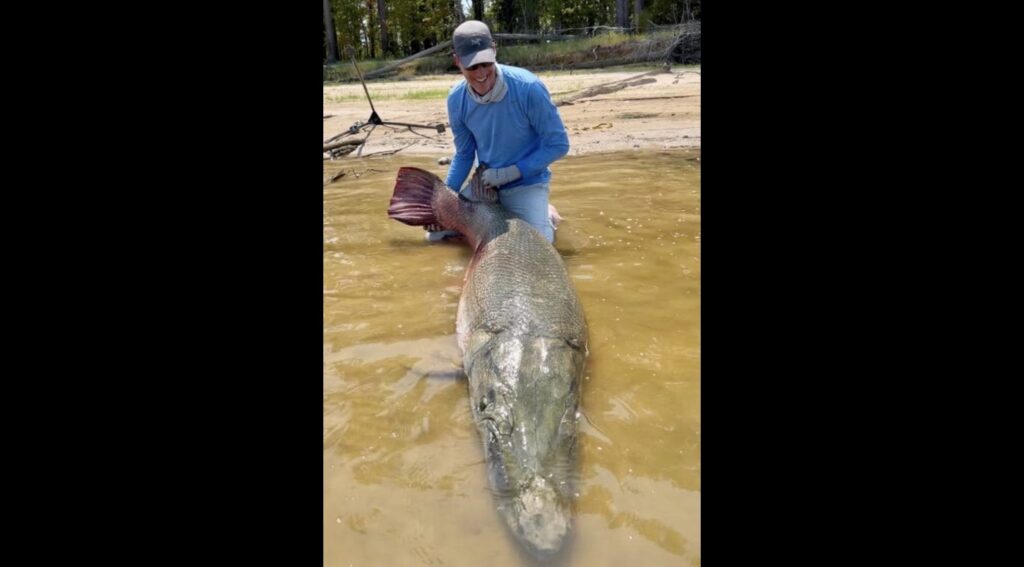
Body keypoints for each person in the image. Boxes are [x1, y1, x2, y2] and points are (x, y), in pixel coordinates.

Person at [426, 20, 569, 243]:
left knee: (540, 245)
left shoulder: (528, 88)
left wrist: (512, 172)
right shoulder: (456, 99)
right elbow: (464, 155)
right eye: (472, 66)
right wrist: (446, 199)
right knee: (435, 236)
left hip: (527, 182)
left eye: (485, 63)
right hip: (485, 185)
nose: (481, 73)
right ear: (457, 61)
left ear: (494, 50)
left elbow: (558, 144)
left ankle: (546, 213)